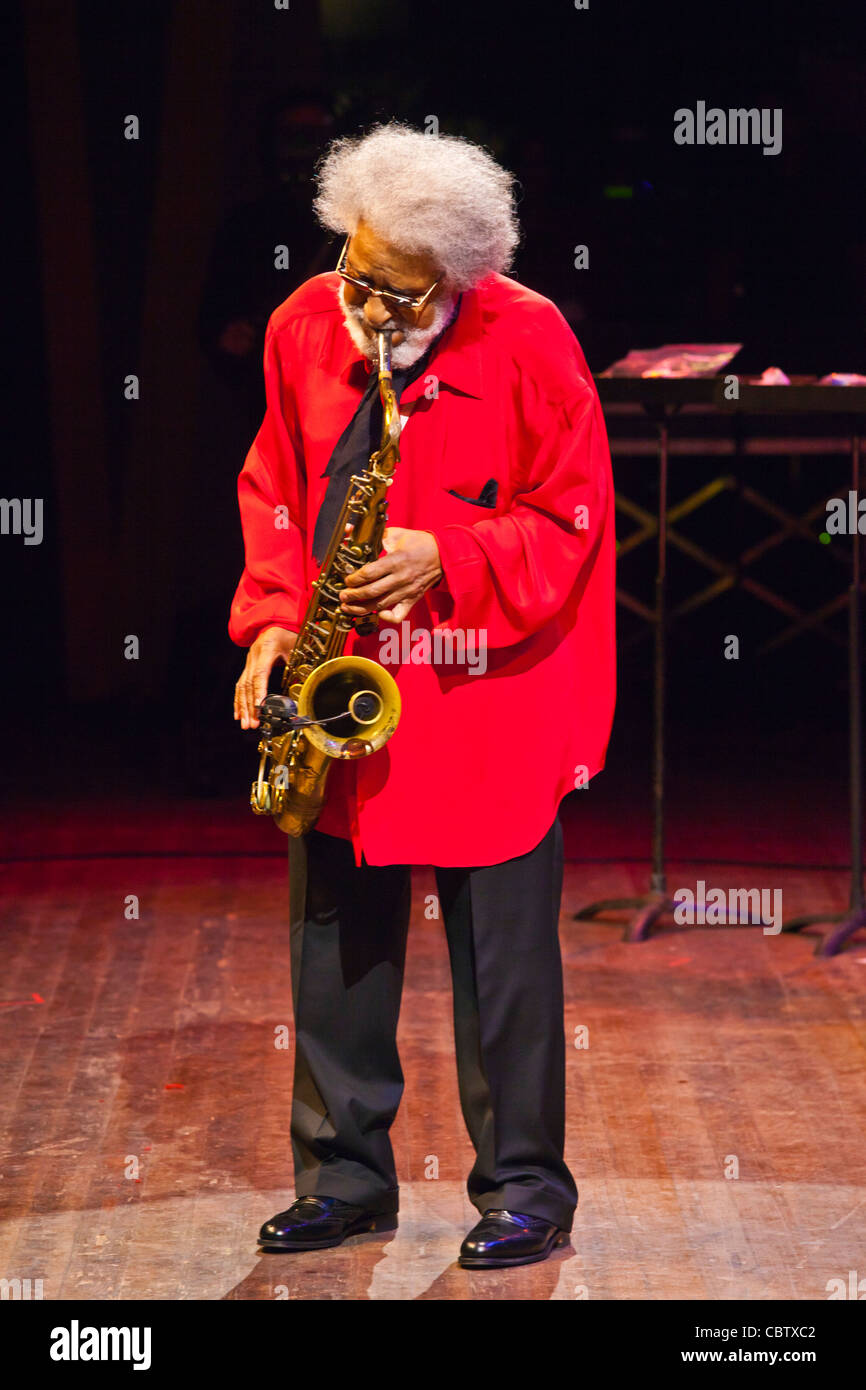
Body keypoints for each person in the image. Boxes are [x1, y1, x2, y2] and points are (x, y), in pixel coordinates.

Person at [230, 122, 616, 1268]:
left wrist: (448, 554)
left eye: (394, 295)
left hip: (488, 685)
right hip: (348, 687)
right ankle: (343, 1178)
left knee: (504, 962)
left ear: (455, 280)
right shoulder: (305, 321)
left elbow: (573, 515)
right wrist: (270, 625)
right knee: (334, 950)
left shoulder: (529, 335)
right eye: (354, 273)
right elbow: (273, 491)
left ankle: (524, 1192)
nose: (365, 309)